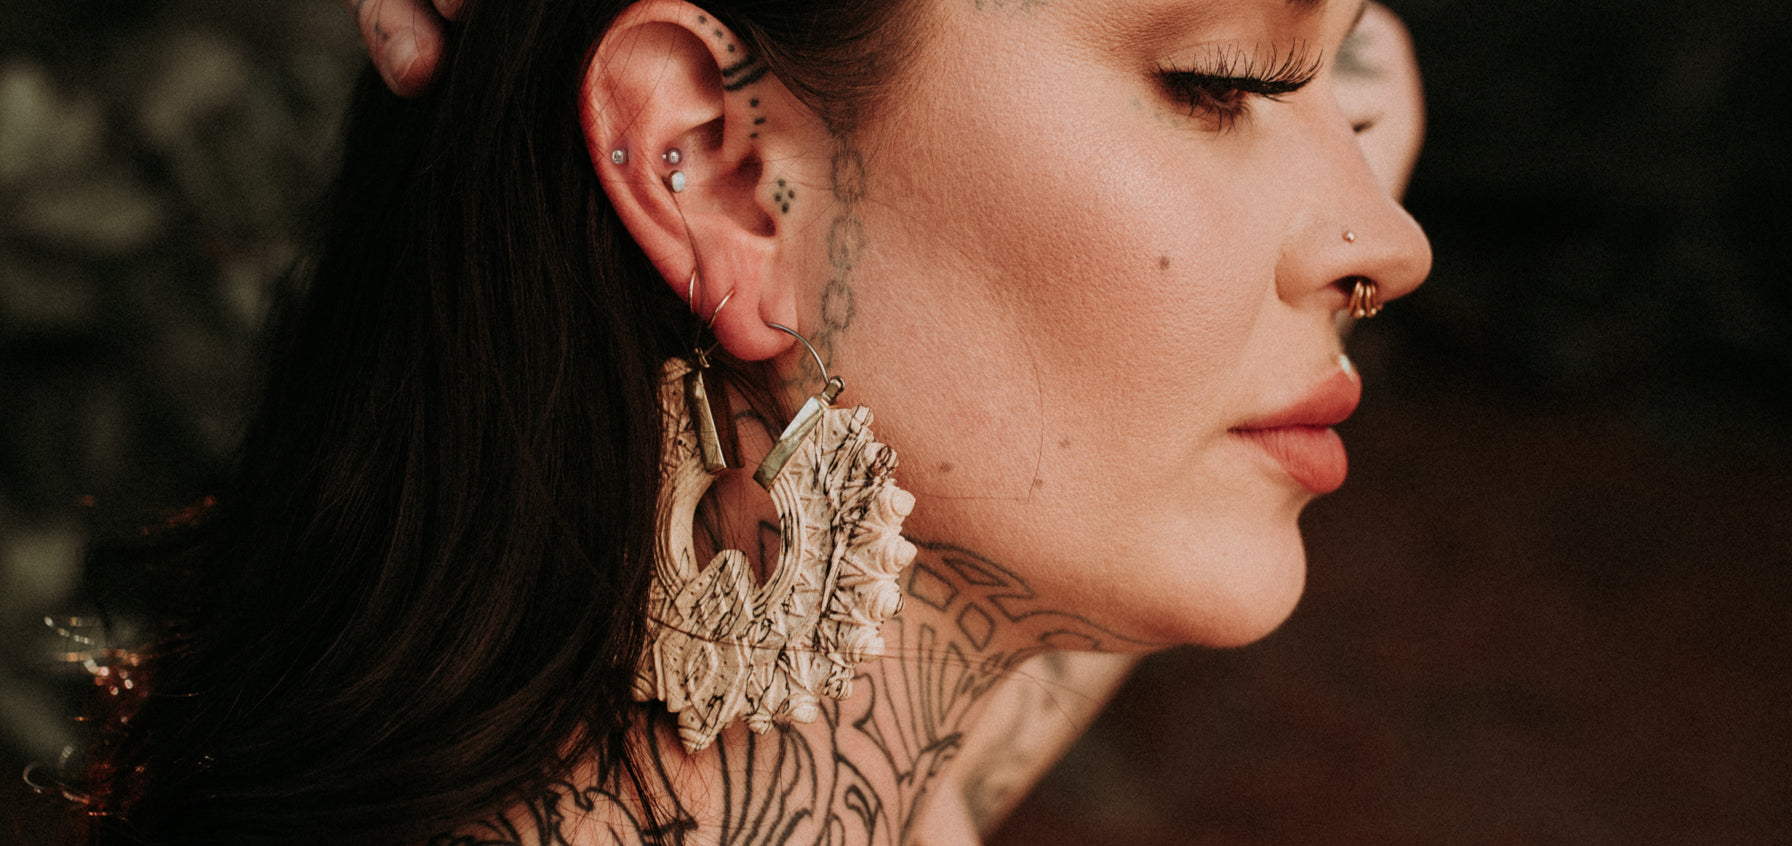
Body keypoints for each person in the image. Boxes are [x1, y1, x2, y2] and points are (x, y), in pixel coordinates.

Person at [60, 0, 1430, 842]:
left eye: (1310, 84)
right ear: (722, 170)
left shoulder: (899, 754)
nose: (1389, 239)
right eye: (1222, 82)